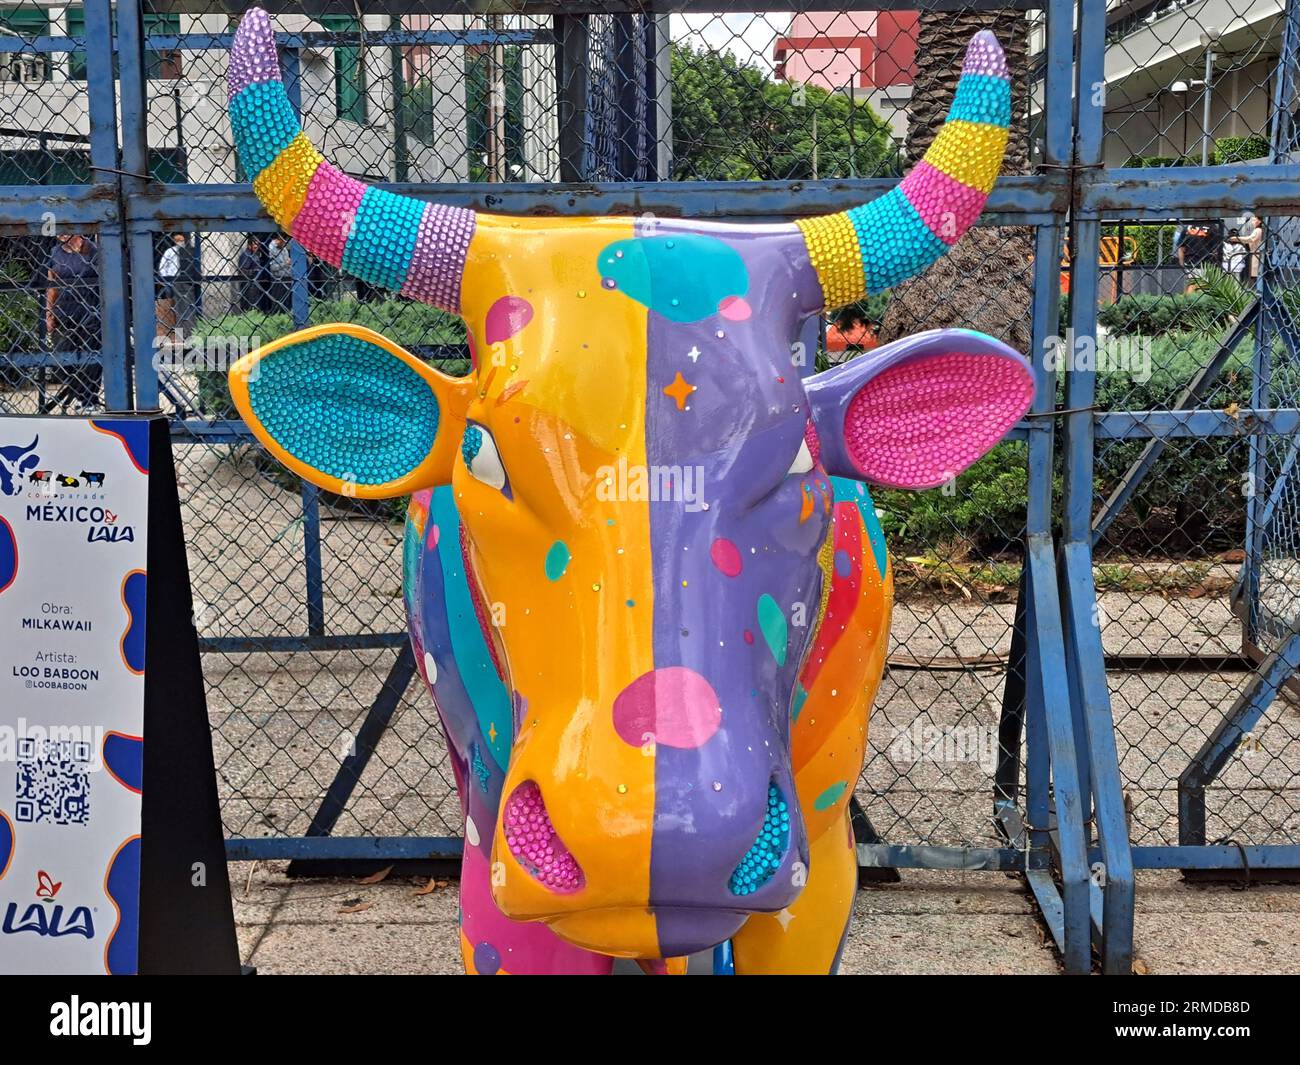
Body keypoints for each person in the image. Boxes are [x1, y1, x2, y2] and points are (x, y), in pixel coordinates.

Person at [45, 232, 101, 409]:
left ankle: (88, 400)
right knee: (63, 357)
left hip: (90, 310)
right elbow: (51, 285)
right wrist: (49, 313)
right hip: (64, 311)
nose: (62, 232)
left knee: (91, 357)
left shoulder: (93, 250)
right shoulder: (55, 252)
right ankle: (80, 394)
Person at [237, 236, 266, 312]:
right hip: (249, 286)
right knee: (249, 306)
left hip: (255, 285)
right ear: (249, 245)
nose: (256, 246)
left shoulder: (254, 254)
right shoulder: (246, 255)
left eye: (258, 244)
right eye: (255, 244)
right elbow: (243, 270)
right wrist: (255, 271)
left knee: (255, 306)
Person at [267, 235, 292, 314]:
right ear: (279, 239)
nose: (285, 244)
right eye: (284, 242)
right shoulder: (271, 248)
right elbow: (273, 268)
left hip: (287, 278)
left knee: (287, 302)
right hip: (277, 279)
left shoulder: (284, 249)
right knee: (278, 303)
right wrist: (285, 264)